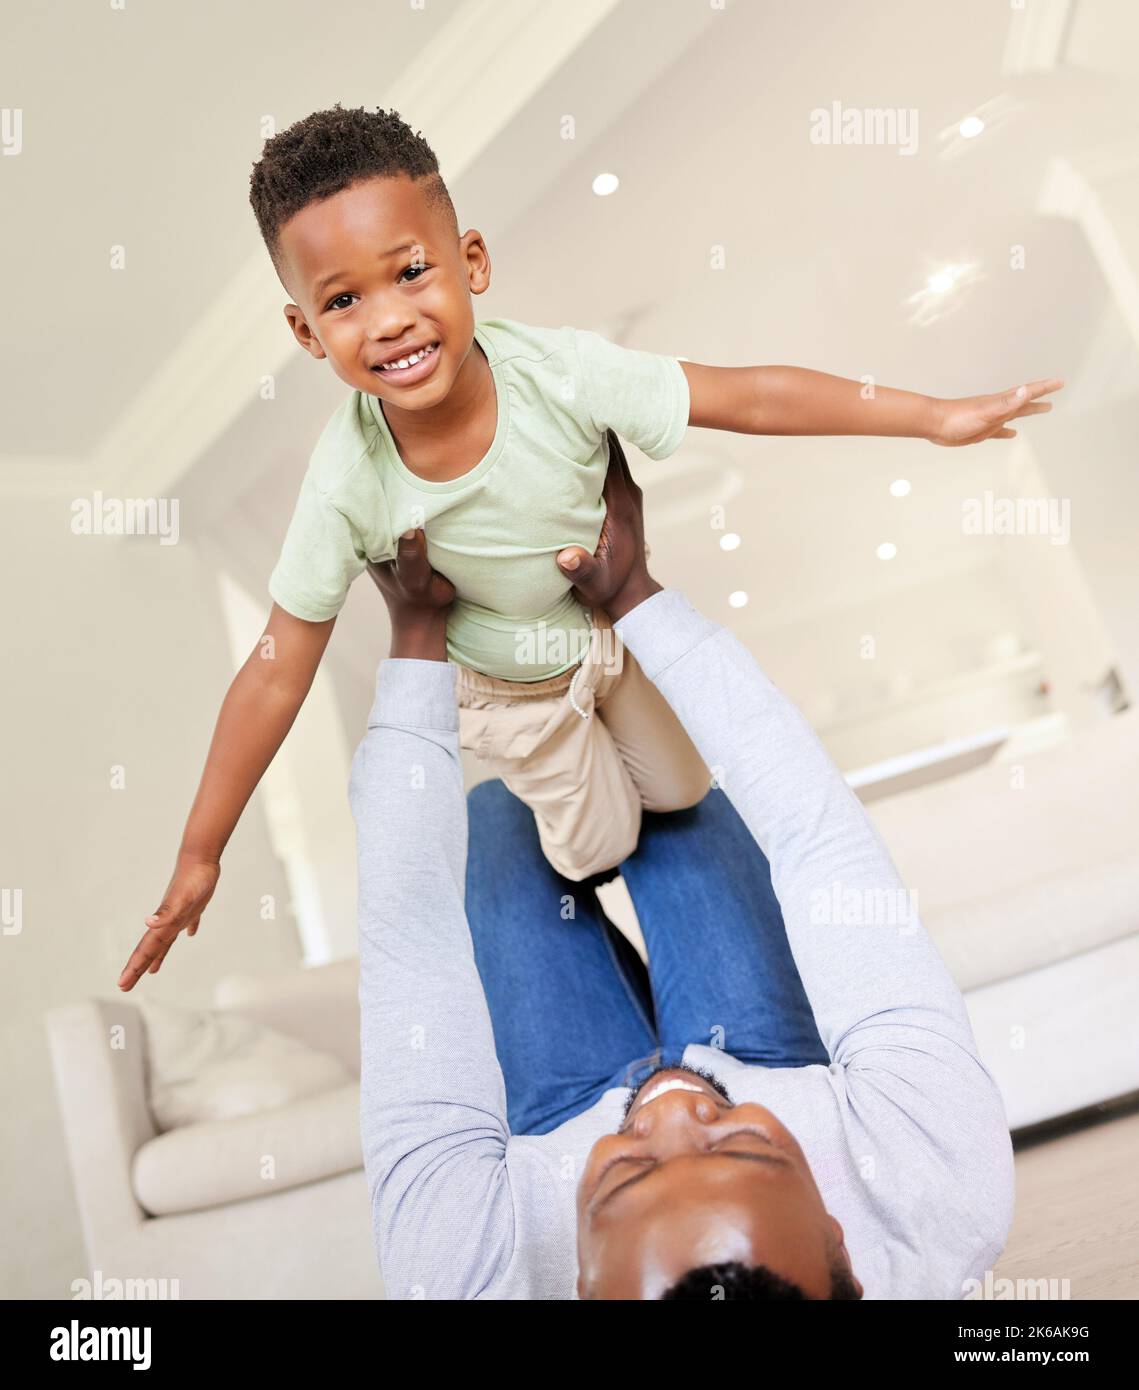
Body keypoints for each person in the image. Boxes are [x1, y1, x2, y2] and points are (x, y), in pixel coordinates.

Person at [117, 104, 1061, 988]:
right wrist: (202, 851)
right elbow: (276, 670)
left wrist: (931, 416)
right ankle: (531, 816)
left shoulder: (560, 372)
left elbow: (748, 395)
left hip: (602, 636)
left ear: (471, 261)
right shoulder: (346, 482)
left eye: (410, 273)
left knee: (683, 790)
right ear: (306, 332)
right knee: (599, 845)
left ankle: (607, 765)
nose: (389, 319)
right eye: (342, 301)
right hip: (513, 698)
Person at [352, 440, 1015, 1299]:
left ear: (579, 1287)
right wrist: (635, 595)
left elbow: (411, 941)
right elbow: (817, 840)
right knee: (682, 811)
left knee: (492, 824)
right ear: (840, 1241)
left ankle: (559, 731)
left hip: (554, 1129)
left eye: (628, 1173)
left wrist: (416, 644)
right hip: (768, 1064)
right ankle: (581, 706)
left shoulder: (460, 1275)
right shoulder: (939, 1197)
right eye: (742, 1147)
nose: (667, 1105)